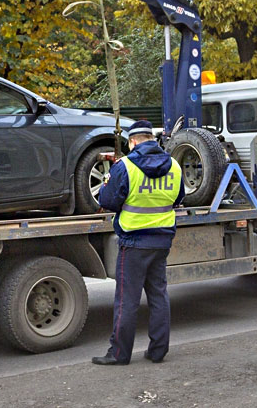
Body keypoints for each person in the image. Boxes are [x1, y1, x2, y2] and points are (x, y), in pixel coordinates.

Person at [92, 120, 183, 366]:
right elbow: (179, 197)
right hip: (162, 240)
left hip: (133, 242)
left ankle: (120, 354)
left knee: (127, 300)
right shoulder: (174, 165)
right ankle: (157, 352)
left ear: (133, 141)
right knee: (158, 296)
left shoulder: (127, 166)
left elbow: (108, 200)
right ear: (152, 139)